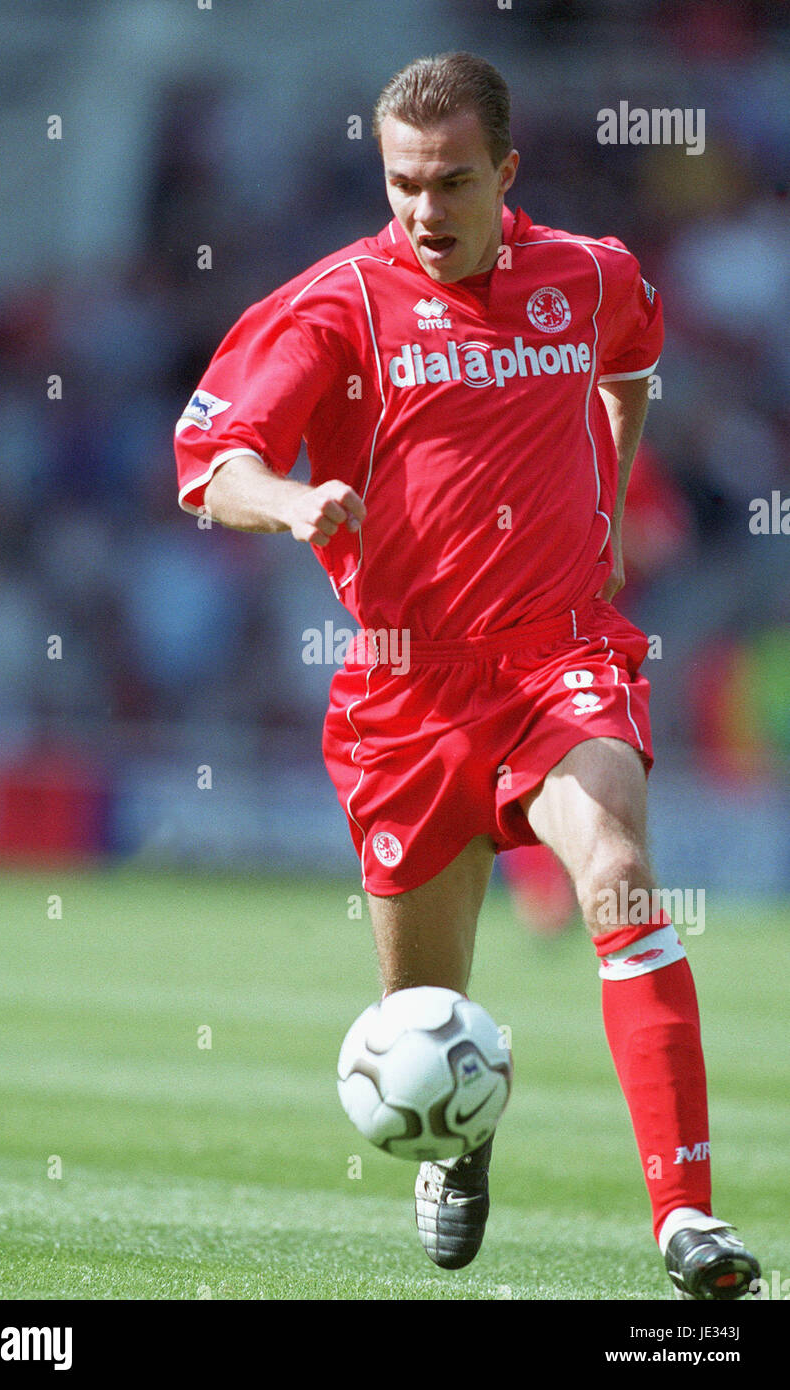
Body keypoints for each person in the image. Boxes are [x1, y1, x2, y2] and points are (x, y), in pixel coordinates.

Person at [174, 52, 759, 1299]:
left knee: (615, 870)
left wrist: (609, 487)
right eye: (400, 185)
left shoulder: (586, 274)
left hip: (557, 655)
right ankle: (457, 1130)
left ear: (505, 171)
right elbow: (214, 455)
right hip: (403, 690)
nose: (424, 212)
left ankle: (685, 1218)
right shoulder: (336, 304)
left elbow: (631, 356)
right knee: (423, 1012)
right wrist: (292, 505)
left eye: (449, 183)